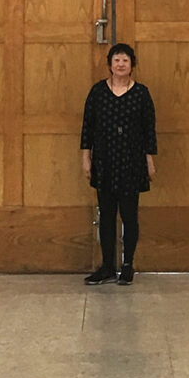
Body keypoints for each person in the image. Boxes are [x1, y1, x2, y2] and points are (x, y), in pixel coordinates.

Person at [80, 42, 156, 286]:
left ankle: (127, 265)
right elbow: (87, 128)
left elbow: (148, 131)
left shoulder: (141, 93)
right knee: (107, 215)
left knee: (129, 215)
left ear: (132, 64)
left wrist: (149, 161)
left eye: (125, 60)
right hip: (104, 160)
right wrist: (86, 157)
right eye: (116, 60)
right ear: (110, 65)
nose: (121, 64)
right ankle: (106, 267)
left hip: (132, 162)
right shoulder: (98, 92)